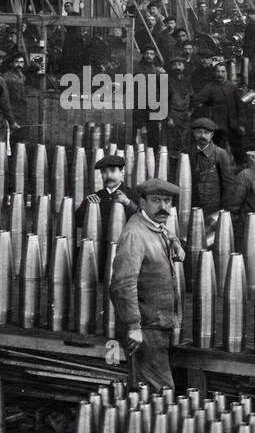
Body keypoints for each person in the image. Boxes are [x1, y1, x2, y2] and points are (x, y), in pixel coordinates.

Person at [110, 177, 185, 392]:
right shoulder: (135, 234)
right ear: (142, 203)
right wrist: (134, 326)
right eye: (156, 200)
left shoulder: (155, 226)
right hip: (145, 328)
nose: (163, 207)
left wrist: (175, 243)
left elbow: (161, 231)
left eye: (167, 201)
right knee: (160, 392)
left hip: (157, 325)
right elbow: (122, 285)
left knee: (148, 392)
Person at [194, 60, 247, 162]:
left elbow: (239, 107)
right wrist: (207, 106)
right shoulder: (209, 87)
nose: (220, 74)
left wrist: (241, 124)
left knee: (238, 149)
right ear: (214, 73)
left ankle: (240, 169)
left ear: (226, 73)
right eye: (218, 72)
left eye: (222, 71)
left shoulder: (232, 87)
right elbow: (198, 101)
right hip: (218, 125)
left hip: (233, 124)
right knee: (219, 150)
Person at [187, 118, 234, 220]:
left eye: (206, 132)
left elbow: (228, 185)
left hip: (213, 207)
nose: (202, 136)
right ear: (194, 133)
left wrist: (224, 210)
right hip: (190, 205)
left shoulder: (221, 154)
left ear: (212, 135)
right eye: (199, 132)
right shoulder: (186, 153)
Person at [85, 153, 139, 231]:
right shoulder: (96, 196)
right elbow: (78, 221)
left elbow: (145, 219)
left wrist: (128, 203)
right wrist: (86, 204)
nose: (108, 175)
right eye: (103, 171)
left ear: (122, 172)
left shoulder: (133, 195)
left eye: (112, 170)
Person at [164, 56, 194, 153]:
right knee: (171, 142)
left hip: (185, 116)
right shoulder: (167, 81)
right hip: (173, 115)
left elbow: (192, 98)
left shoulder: (187, 81)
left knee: (184, 141)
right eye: (175, 65)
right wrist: (168, 117)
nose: (177, 67)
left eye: (180, 65)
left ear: (184, 67)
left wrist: (190, 111)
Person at [2, 51, 32, 143]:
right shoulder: (6, 77)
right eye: (17, 62)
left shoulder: (22, 76)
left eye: (22, 62)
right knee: (9, 136)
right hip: (11, 109)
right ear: (11, 63)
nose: (19, 65)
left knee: (21, 136)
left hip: (21, 110)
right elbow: (4, 97)